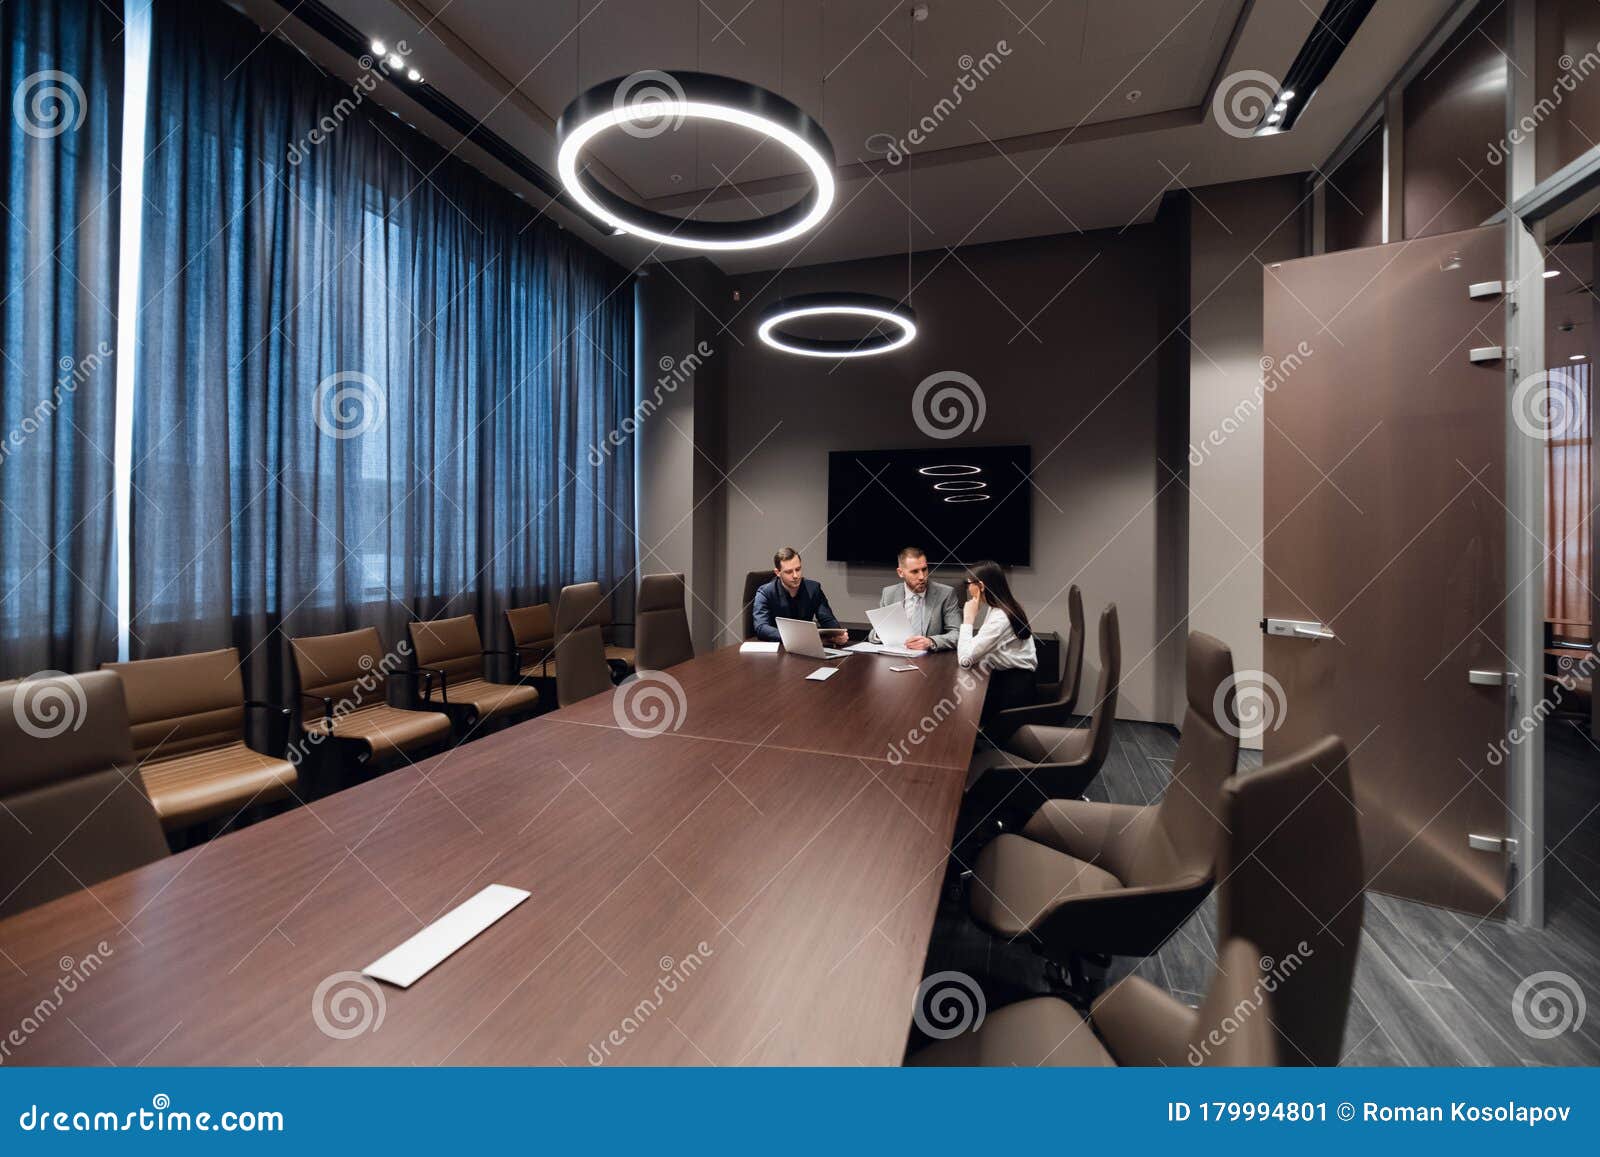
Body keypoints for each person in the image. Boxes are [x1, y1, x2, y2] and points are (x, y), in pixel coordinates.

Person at [957, 560, 1038, 729]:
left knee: (961, 706)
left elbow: (965, 658)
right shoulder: (999, 608)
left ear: (980, 586)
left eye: (968, 584)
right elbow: (977, 646)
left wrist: (968, 619)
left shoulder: (1001, 617)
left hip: (1013, 691)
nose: (966, 588)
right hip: (1008, 679)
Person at [868, 546, 962, 651]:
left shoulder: (946, 594)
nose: (922, 576)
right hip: (898, 656)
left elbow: (957, 634)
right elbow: (873, 634)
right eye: (915, 571)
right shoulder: (889, 594)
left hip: (931, 660)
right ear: (900, 572)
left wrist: (931, 642)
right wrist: (881, 633)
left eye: (924, 569)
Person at [751, 547, 848, 644]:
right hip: (778, 646)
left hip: (805, 647)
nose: (795, 576)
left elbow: (827, 619)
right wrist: (792, 637)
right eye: (789, 572)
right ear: (778, 573)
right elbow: (761, 627)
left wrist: (837, 634)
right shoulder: (765, 592)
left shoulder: (813, 589)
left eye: (798, 569)